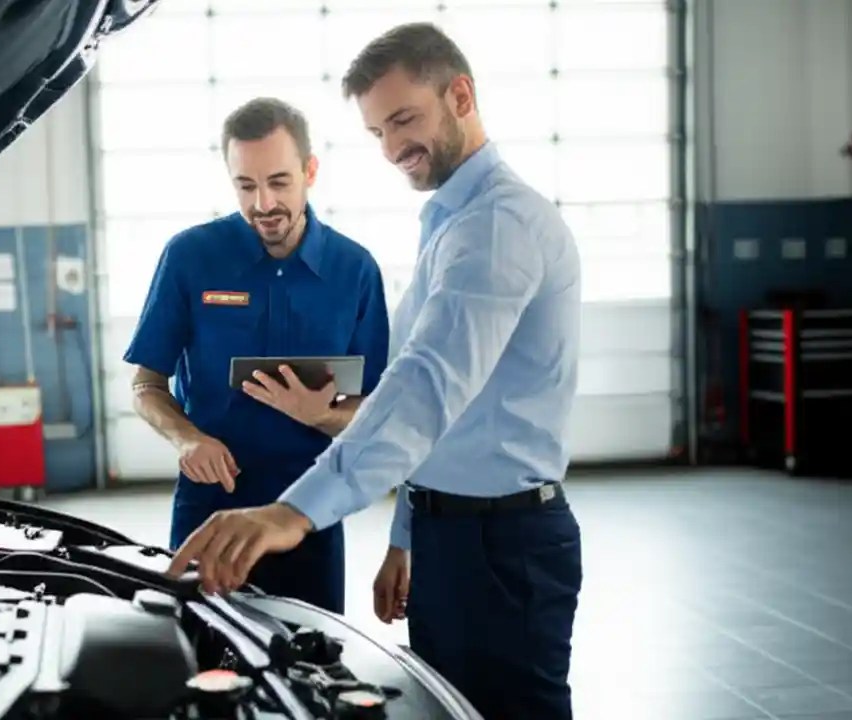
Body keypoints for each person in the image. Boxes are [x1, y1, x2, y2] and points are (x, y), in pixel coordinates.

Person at [165, 22, 584, 719]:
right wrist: (408, 536)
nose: (392, 148)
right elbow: (432, 414)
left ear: (461, 95)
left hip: (504, 546)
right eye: (376, 132)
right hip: (455, 533)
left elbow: (424, 388)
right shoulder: (450, 221)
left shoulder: (497, 228)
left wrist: (293, 512)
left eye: (404, 120)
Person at [124, 97, 390, 615]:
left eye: (279, 182)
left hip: (309, 513)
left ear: (310, 171)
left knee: (311, 666)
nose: (263, 203)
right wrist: (187, 439)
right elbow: (145, 385)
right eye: (246, 186)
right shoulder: (189, 257)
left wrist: (324, 415)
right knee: (202, 658)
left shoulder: (355, 271)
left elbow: (378, 412)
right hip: (208, 507)